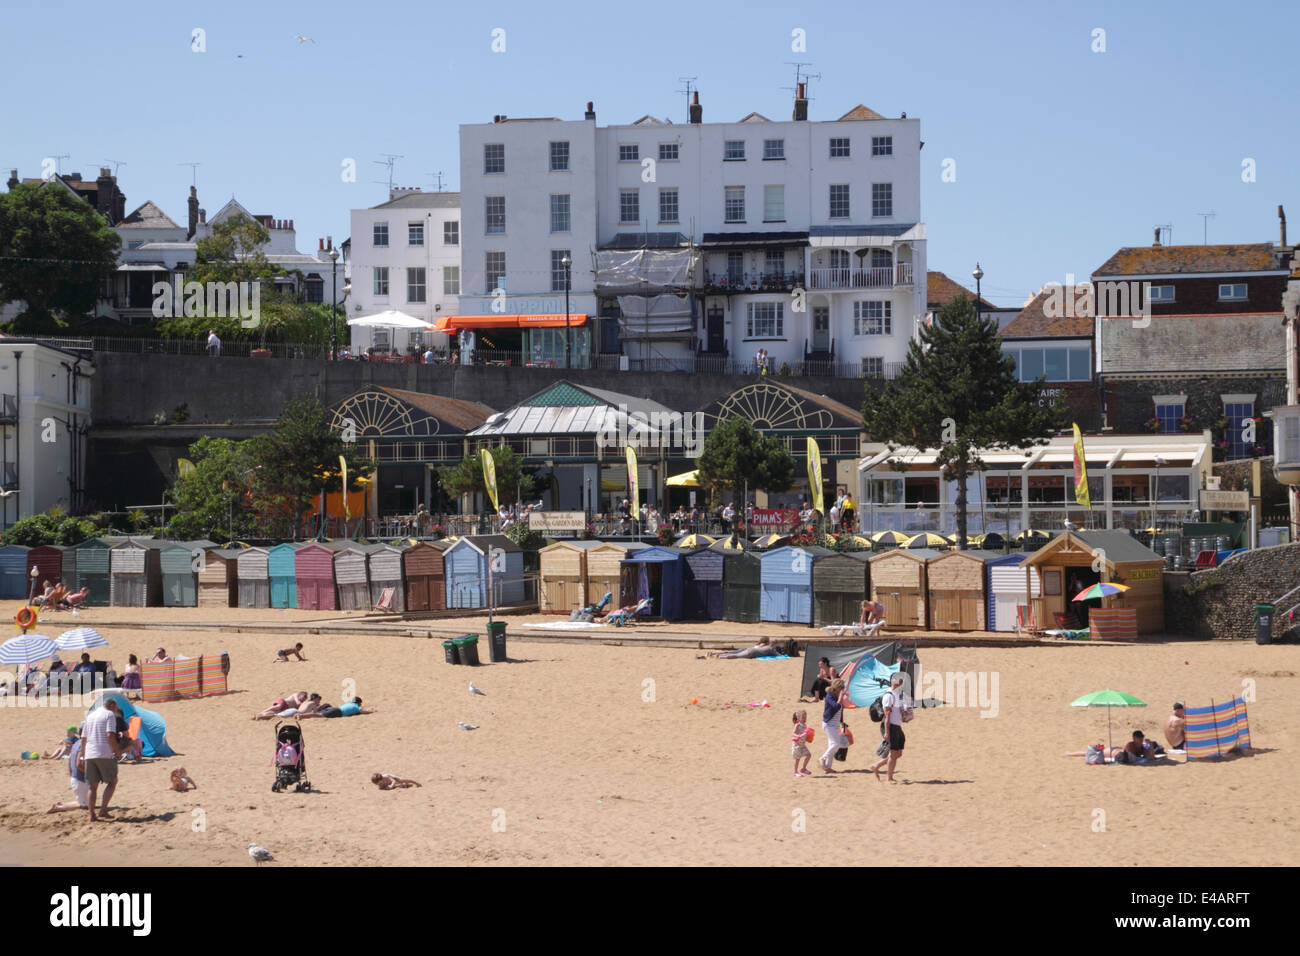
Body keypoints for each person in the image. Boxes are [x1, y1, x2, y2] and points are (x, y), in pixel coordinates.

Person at [82, 699, 123, 822]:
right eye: (116, 708)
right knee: (112, 781)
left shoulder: (90, 716)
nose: (116, 711)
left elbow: (83, 737)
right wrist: (117, 752)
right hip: (104, 752)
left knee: (92, 786)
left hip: (90, 753)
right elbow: (110, 735)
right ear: (112, 705)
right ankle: (103, 810)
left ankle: (91, 815)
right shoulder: (109, 714)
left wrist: (82, 754)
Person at [870, 672, 911, 782]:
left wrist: (904, 716)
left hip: (897, 726)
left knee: (898, 753)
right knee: (893, 753)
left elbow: (898, 711)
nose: (902, 682)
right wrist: (886, 733)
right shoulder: (888, 696)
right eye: (900, 680)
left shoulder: (897, 694)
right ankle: (890, 778)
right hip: (889, 726)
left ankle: (877, 765)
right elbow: (887, 715)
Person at [46, 726, 89, 814]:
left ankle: (61, 804)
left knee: (87, 801)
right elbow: (79, 764)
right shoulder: (84, 745)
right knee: (84, 805)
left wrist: (71, 774)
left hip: (75, 778)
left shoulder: (76, 743)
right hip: (80, 780)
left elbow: (69, 760)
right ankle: (59, 807)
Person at [818, 679, 847, 773]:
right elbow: (836, 707)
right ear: (837, 688)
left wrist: (842, 722)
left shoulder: (837, 695)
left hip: (835, 724)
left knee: (832, 745)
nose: (842, 690)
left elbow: (840, 710)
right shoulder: (829, 696)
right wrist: (840, 698)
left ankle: (828, 767)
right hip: (828, 724)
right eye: (841, 688)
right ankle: (822, 758)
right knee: (836, 744)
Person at [706, 636, 782, 659]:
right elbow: (777, 655)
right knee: (736, 656)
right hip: (752, 652)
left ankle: (714, 653)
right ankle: (719, 656)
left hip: (749, 649)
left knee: (732, 652)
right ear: (768, 642)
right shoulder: (769, 648)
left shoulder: (760, 645)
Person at [300, 697, 375, 718]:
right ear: (358, 703)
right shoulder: (356, 706)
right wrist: (371, 712)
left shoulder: (349, 703)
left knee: (317, 714)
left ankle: (304, 716)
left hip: (334, 708)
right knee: (318, 715)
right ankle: (302, 716)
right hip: (337, 712)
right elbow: (362, 711)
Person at [791, 710, 813, 778]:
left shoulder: (805, 725)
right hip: (797, 745)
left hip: (803, 745)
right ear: (798, 718)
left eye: (805, 717)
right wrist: (798, 736)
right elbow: (793, 733)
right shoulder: (797, 725)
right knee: (797, 759)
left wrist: (809, 738)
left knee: (809, 755)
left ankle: (803, 768)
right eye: (803, 717)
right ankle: (795, 772)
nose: (804, 719)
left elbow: (805, 735)